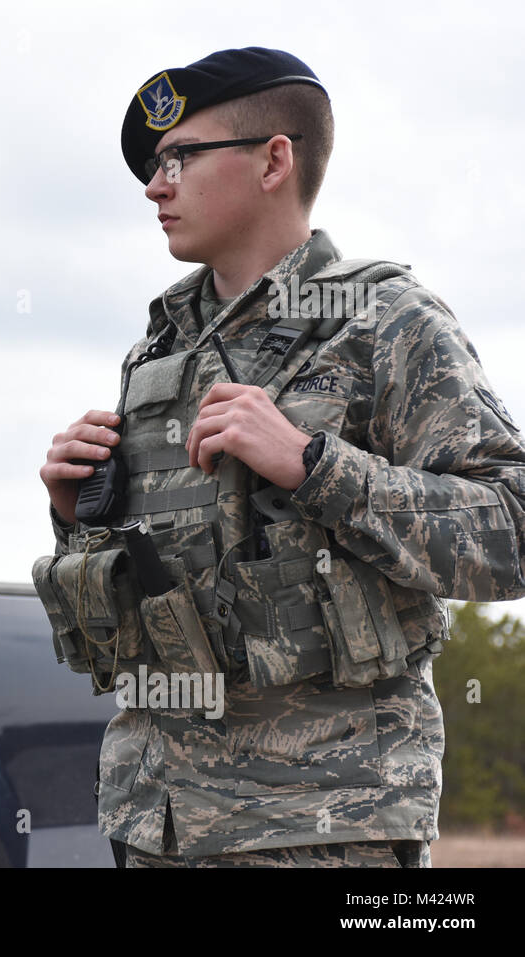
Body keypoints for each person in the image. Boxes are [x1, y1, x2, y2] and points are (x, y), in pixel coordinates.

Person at [35, 47, 525, 867]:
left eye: (180, 157)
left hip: (327, 823)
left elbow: (512, 531)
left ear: (274, 160)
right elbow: (157, 586)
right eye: (154, 167)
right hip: (155, 818)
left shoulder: (386, 321)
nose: (157, 185)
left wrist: (314, 464)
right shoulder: (158, 350)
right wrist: (74, 513)